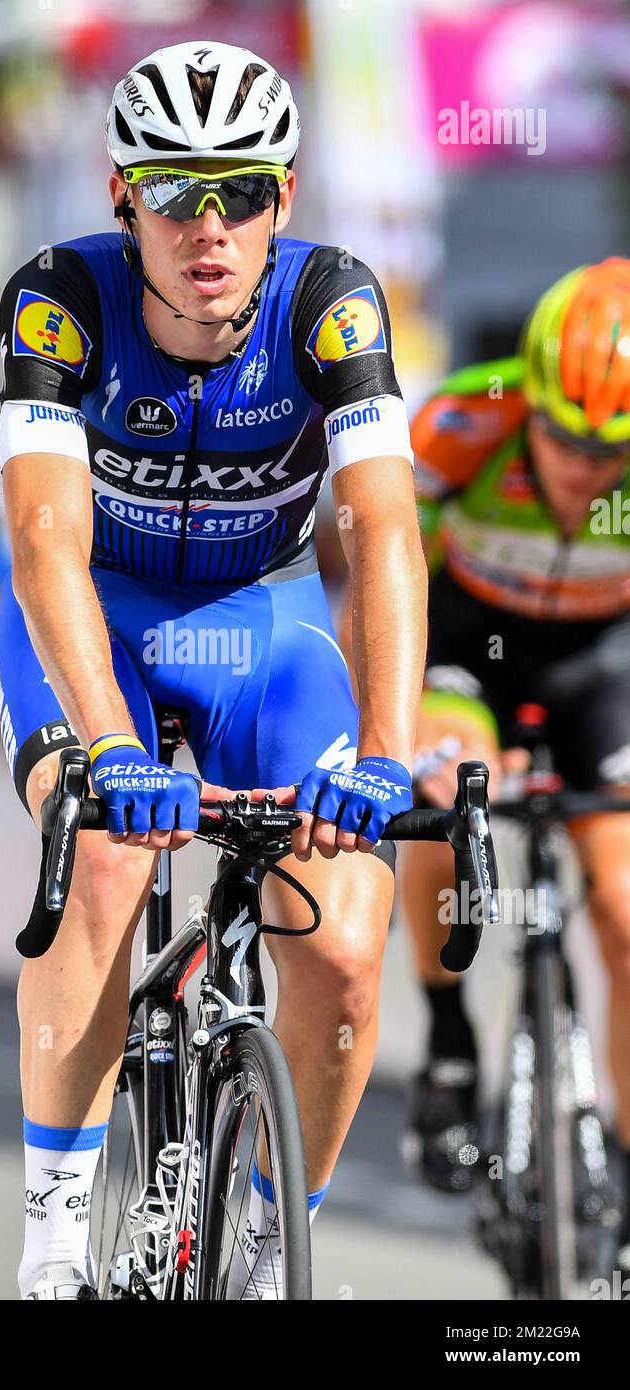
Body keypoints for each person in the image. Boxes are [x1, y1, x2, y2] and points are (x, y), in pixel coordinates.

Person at [0, 40, 425, 1299]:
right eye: (175, 190)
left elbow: (386, 532)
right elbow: (40, 540)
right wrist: (111, 753)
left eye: (240, 190)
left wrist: (391, 757)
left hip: (265, 627)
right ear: (120, 191)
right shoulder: (58, 297)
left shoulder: (330, 300)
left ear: (282, 199)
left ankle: (258, 1241)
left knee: (345, 943)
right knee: (111, 856)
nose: (208, 223)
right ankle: (53, 1250)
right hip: (93, 617)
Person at [400, 258, 630, 1269]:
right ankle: (447, 1038)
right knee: (443, 787)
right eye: (567, 437)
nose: (584, 469)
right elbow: (383, 568)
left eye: (610, 452)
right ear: (528, 395)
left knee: (623, 908)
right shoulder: (460, 424)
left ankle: (620, 1158)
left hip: (600, 662)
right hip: (467, 646)